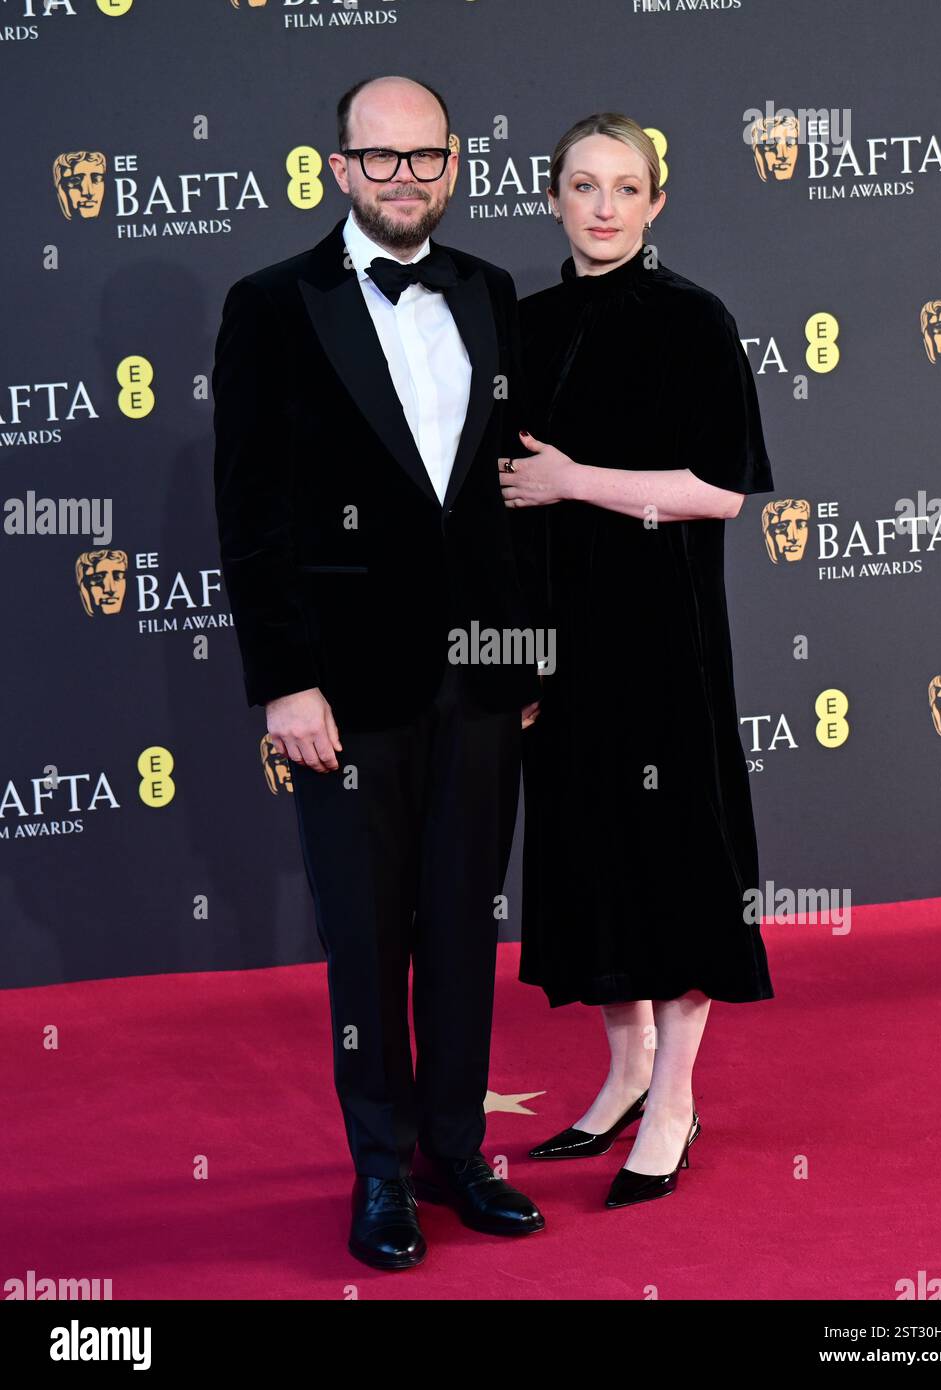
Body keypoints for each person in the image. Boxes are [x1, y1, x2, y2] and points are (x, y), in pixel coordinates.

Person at [212, 74, 545, 1270]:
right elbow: (248, 512)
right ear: (339, 169)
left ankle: (456, 1151)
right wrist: (285, 681)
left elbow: (511, 499)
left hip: (480, 680)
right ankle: (378, 1172)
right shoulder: (271, 304)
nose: (404, 177)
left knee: (462, 925)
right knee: (366, 938)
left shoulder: (493, 293)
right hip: (345, 691)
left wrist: (524, 652)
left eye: (426, 157)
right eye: (380, 158)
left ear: (452, 166)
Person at [500, 113, 776, 1210]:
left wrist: (578, 479)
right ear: (554, 197)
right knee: (588, 856)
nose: (603, 206)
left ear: (656, 201)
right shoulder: (517, 327)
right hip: (560, 650)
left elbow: (718, 491)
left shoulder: (692, 321)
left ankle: (673, 1098)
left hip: (664, 643)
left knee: (674, 860)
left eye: (625, 187)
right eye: (583, 185)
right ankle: (620, 1075)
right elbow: (498, 510)